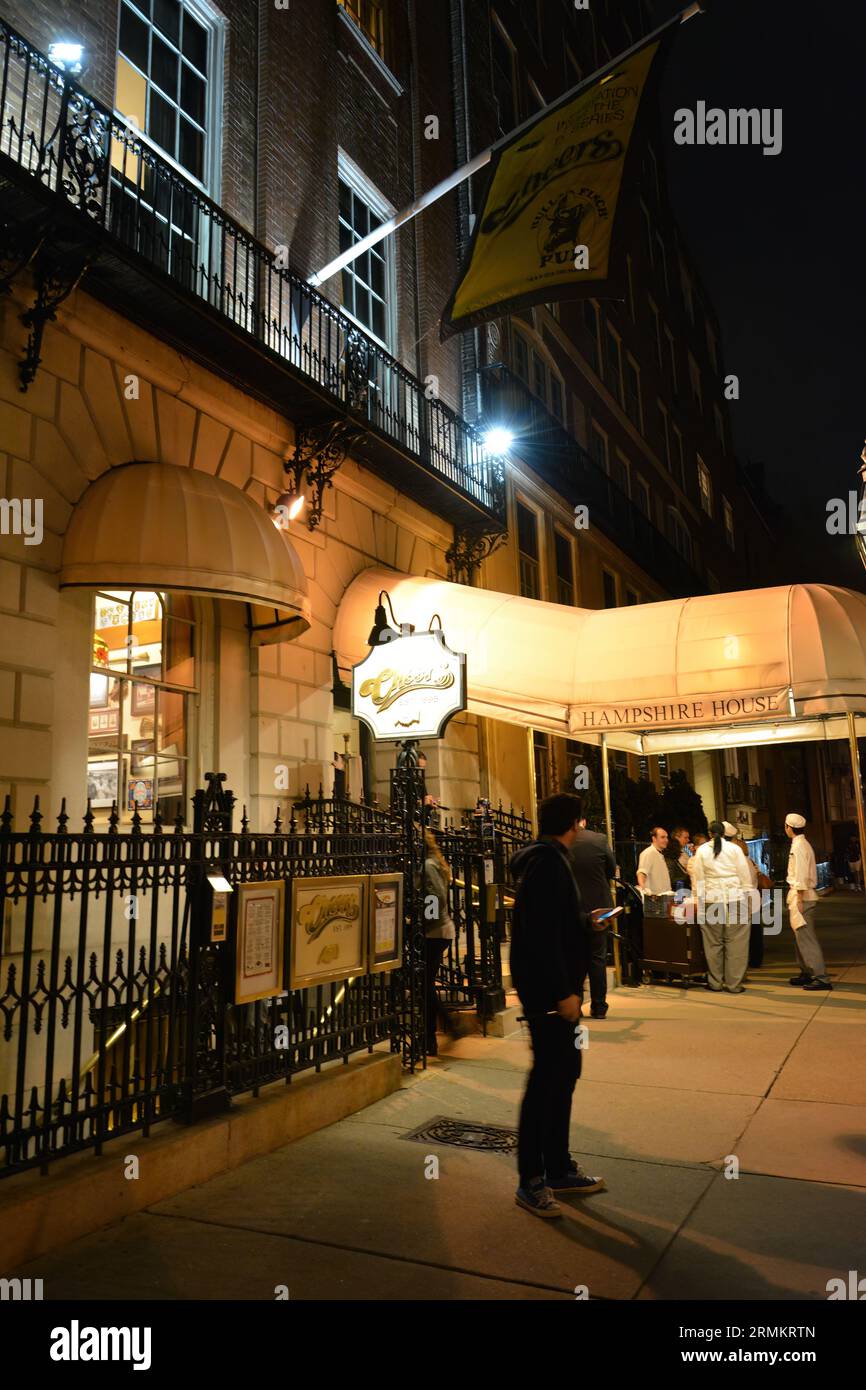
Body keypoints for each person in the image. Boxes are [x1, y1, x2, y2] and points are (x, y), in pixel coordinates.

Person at [510, 793, 608, 1219]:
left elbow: (556, 923)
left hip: (554, 988)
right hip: (550, 993)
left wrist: (588, 922)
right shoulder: (547, 863)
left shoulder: (546, 860)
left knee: (564, 1072)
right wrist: (563, 992)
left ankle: (557, 1167)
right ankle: (532, 1178)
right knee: (547, 1080)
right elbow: (543, 935)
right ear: (574, 824)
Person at [689, 820, 753, 992]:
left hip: (711, 899)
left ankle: (715, 982)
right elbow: (745, 877)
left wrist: (698, 900)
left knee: (712, 943)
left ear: (709, 833)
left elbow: (698, 879)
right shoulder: (735, 849)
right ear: (724, 833)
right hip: (735, 899)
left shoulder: (701, 851)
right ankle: (734, 984)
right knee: (737, 943)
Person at [568, 817, 617, 1019]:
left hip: (574, 907)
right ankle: (599, 1007)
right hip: (600, 905)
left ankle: (576, 1004)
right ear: (584, 822)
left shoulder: (565, 841)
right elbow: (611, 869)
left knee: (575, 957)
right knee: (597, 958)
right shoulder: (598, 839)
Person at [785, 813, 832, 990]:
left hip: (802, 896)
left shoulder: (798, 846)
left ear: (789, 827)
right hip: (802, 895)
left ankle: (821, 977)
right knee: (801, 938)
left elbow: (801, 873)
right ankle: (807, 972)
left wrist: (799, 897)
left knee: (806, 938)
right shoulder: (802, 844)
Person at [420, 828, 456, 1054]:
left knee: (424, 985)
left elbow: (436, 897)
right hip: (438, 930)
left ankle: (443, 1030)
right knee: (425, 985)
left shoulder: (427, 866)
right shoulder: (432, 862)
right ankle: (431, 1038)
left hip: (435, 932)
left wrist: (425, 922)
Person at [736, 838, 763, 968]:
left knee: (748, 932)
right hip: (755, 898)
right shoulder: (750, 861)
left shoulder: (741, 862)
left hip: (747, 899)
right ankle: (756, 958)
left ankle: (752, 959)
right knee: (756, 930)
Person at [636, 826, 671, 895]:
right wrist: (644, 891)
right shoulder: (648, 853)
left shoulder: (658, 853)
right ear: (654, 838)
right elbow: (641, 873)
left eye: (667, 837)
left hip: (663, 898)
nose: (666, 840)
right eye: (663, 837)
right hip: (654, 900)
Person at [664, 825, 692, 890]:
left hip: (682, 888)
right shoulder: (670, 854)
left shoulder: (685, 851)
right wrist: (688, 877)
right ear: (676, 838)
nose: (688, 840)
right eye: (685, 838)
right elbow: (671, 878)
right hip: (677, 890)